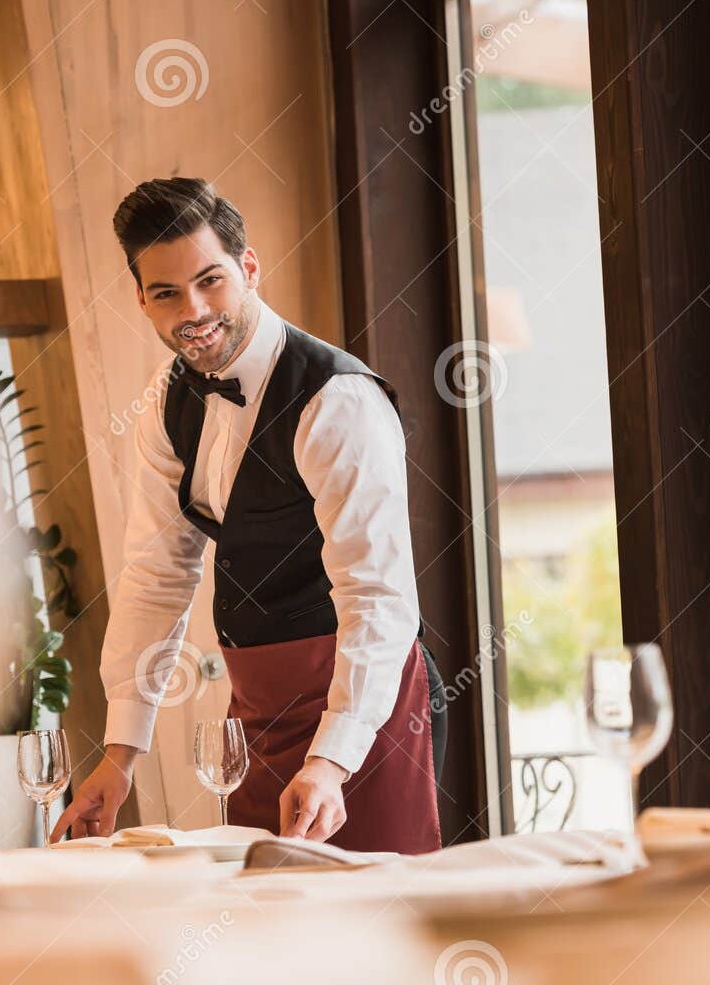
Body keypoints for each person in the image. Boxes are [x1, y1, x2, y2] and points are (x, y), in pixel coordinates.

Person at [49, 177, 441, 854]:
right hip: (256, 712)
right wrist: (122, 752)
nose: (194, 311)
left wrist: (332, 758)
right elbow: (156, 577)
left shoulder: (337, 401)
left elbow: (378, 596)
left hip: (362, 705)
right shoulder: (163, 404)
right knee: (262, 931)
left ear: (249, 268)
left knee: (373, 929)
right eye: (167, 293)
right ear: (141, 299)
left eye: (211, 281)